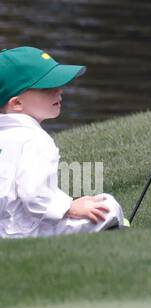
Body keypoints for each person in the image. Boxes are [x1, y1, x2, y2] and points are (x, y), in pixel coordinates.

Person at [0, 46, 125, 238]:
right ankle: (114, 230)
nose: (59, 90)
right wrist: (68, 207)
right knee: (108, 206)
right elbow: (34, 195)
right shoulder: (34, 139)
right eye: (47, 87)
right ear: (16, 103)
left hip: (6, 226)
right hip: (25, 233)